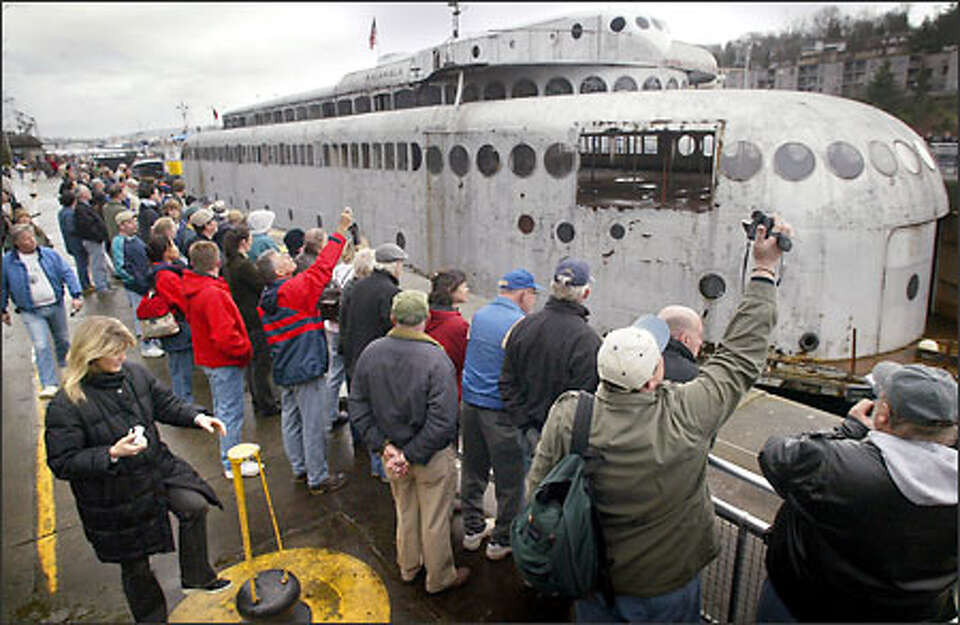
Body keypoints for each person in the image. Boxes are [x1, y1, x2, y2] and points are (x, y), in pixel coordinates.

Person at [525, 217, 792, 622]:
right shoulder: (686, 411)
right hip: (668, 583)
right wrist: (764, 270)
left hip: (593, 575)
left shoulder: (571, 415)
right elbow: (741, 357)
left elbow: (539, 489)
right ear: (656, 374)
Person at [44, 316, 231, 623]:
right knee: (135, 564)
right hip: (113, 494)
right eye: (114, 351)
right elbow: (63, 462)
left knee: (194, 505)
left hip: (155, 467)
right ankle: (152, 618)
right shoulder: (67, 404)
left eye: (123, 349)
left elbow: (165, 403)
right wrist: (111, 453)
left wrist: (197, 417)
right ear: (91, 353)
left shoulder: (133, 374)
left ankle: (197, 576)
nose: (122, 357)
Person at [756, 361, 958, 622]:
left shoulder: (834, 464)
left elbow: (775, 454)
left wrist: (849, 429)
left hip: (804, 604)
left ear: (883, 414)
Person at [349, 290, 470, 594]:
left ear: (393, 318)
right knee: (434, 519)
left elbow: (358, 406)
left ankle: (408, 566)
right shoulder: (436, 358)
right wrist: (412, 454)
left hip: (391, 453)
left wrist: (386, 448)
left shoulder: (371, 352)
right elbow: (443, 419)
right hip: (431, 456)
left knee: (405, 510)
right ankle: (439, 577)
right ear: (426, 319)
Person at [255, 208, 353, 494]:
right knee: (315, 424)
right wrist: (341, 231)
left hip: (284, 365)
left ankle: (300, 467)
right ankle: (318, 477)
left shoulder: (268, 297)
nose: (289, 258)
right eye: (283, 258)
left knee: (292, 418)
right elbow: (322, 269)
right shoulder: (293, 291)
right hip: (305, 365)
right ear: (279, 271)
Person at [460, 269, 541, 560]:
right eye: (534, 294)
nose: (534, 301)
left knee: (472, 469)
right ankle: (501, 540)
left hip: (470, 407)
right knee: (510, 481)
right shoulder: (520, 323)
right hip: (500, 414)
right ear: (523, 293)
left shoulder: (481, 315)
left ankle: (471, 529)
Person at [499, 258, 602, 458]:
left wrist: (526, 425)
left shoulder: (523, 326)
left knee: (529, 486)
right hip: (564, 441)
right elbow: (585, 400)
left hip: (526, 433)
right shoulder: (587, 341)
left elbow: (507, 382)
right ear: (586, 293)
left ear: (552, 287)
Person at [183, 241, 256, 479]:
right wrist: (245, 350)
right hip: (224, 361)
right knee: (231, 412)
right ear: (216, 262)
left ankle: (230, 458)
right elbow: (225, 335)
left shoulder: (196, 289)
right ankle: (232, 461)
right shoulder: (212, 293)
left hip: (210, 359)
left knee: (224, 408)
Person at [2, 224, 84, 398]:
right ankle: (49, 383)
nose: (31, 241)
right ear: (16, 243)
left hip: (55, 304)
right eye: (25, 238)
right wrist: (3, 309)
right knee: (41, 345)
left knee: (62, 339)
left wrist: (76, 294)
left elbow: (67, 273)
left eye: (32, 237)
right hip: (30, 310)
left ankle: (68, 370)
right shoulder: (7, 263)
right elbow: (3, 287)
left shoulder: (49, 255)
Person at [222, 225, 280, 420]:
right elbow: (260, 284)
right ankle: (266, 402)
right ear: (243, 243)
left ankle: (259, 400)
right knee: (261, 363)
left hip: (243, 317)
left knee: (253, 363)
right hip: (254, 318)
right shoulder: (243, 266)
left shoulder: (228, 265)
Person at [337, 245, 384, 480]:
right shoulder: (363, 290)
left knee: (358, 401)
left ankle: (359, 440)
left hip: (352, 354)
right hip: (362, 356)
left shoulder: (351, 288)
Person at [339, 242, 406, 382]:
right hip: (378, 364)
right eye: (401, 264)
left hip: (355, 359)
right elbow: (391, 328)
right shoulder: (391, 292)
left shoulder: (358, 286)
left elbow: (345, 321)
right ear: (395, 265)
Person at [145, 234, 196, 404]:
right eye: (172, 245)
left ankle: (181, 399)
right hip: (178, 326)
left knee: (177, 366)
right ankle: (184, 403)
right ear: (166, 251)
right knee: (182, 368)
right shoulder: (167, 275)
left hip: (172, 325)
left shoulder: (158, 272)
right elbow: (181, 301)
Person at [111, 210, 164, 358]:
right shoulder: (119, 242)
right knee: (140, 315)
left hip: (146, 283)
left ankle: (154, 339)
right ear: (121, 225)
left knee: (149, 313)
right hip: (136, 287)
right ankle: (145, 345)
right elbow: (120, 267)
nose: (135, 224)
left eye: (135, 220)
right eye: (130, 222)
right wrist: (136, 282)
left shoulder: (135, 239)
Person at [425, 269, 470, 400]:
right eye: (464, 286)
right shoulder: (458, 325)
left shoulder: (425, 316)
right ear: (451, 289)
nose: (467, 289)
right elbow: (462, 360)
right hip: (448, 388)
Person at [74, 184, 111, 294]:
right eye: (87, 191)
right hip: (93, 240)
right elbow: (88, 226)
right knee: (97, 264)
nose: (90, 193)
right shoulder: (81, 209)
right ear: (83, 195)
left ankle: (103, 282)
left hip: (96, 239)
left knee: (101, 262)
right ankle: (101, 286)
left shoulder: (85, 207)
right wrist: (99, 235)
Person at [655, 305, 704, 382]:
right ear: (685, 339)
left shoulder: (637, 363)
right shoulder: (696, 378)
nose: (701, 342)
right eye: (699, 336)